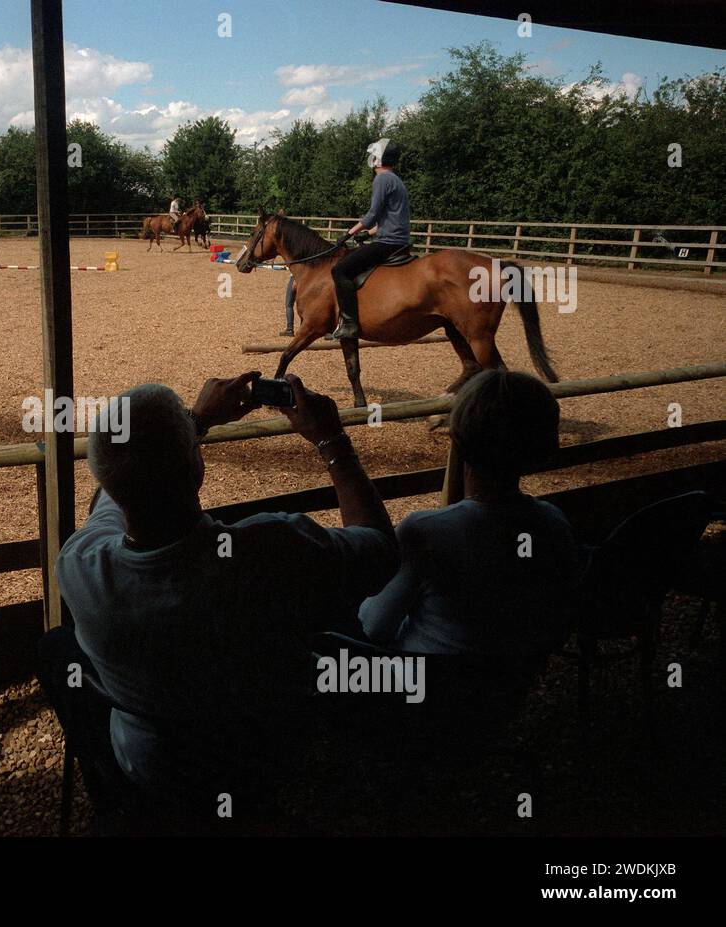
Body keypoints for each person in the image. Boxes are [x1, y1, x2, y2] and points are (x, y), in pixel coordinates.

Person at [56, 372, 397, 812]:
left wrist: (194, 423)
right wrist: (332, 442)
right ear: (197, 468)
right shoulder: (274, 551)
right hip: (266, 760)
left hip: (150, 764)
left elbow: (115, 491)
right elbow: (381, 550)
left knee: (55, 648)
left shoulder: (79, 561)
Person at [359, 370, 578, 656]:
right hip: (510, 687)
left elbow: (372, 627)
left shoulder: (424, 531)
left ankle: (346, 322)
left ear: (458, 439)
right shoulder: (553, 522)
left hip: (423, 687)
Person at [329, 138, 411, 340]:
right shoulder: (396, 179)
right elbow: (388, 218)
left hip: (388, 243)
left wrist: (349, 233)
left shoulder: (382, 179)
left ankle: (349, 323)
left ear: (377, 158)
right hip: (397, 239)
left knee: (340, 270)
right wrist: (369, 233)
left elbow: (372, 214)